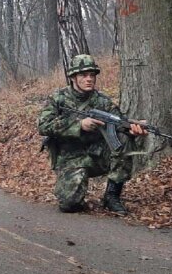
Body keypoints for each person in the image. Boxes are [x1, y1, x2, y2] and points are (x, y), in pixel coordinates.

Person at [37, 55, 146, 214]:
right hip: (70, 159)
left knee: (124, 139)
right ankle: (76, 186)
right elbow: (43, 125)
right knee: (69, 205)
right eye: (83, 75)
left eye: (92, 75)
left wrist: (133, 129)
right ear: (73, 77)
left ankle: (112, 196)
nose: (89, 79)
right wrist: (79, 125)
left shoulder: (102, 101)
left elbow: (119, 123)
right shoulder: (58, 98)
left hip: (97, 155)